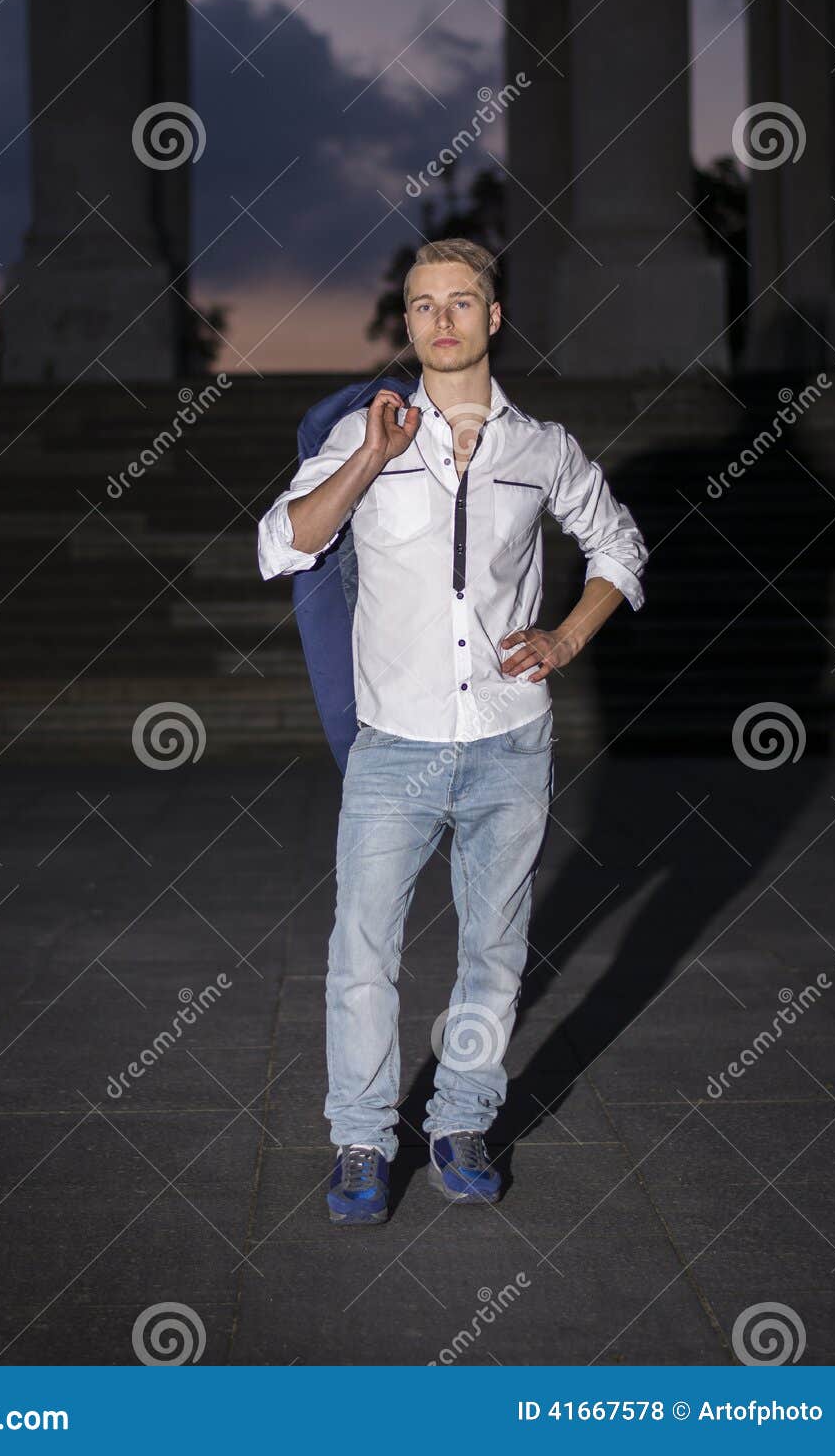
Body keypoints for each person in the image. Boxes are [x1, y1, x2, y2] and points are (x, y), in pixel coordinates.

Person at [256, 238, 648, 1225]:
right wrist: (371, 460)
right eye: (421, 304)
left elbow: (619, 546)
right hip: (395, 746)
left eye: (459, 302)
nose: (439, 320)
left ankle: (462, 1120)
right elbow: (280, 543)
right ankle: (358, 1140)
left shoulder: (539, 448)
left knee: (494, 950)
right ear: (407, 319)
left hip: (509, 742)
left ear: (492, 317)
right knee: (361, 950)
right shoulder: (367, 432)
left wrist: (563, 635)